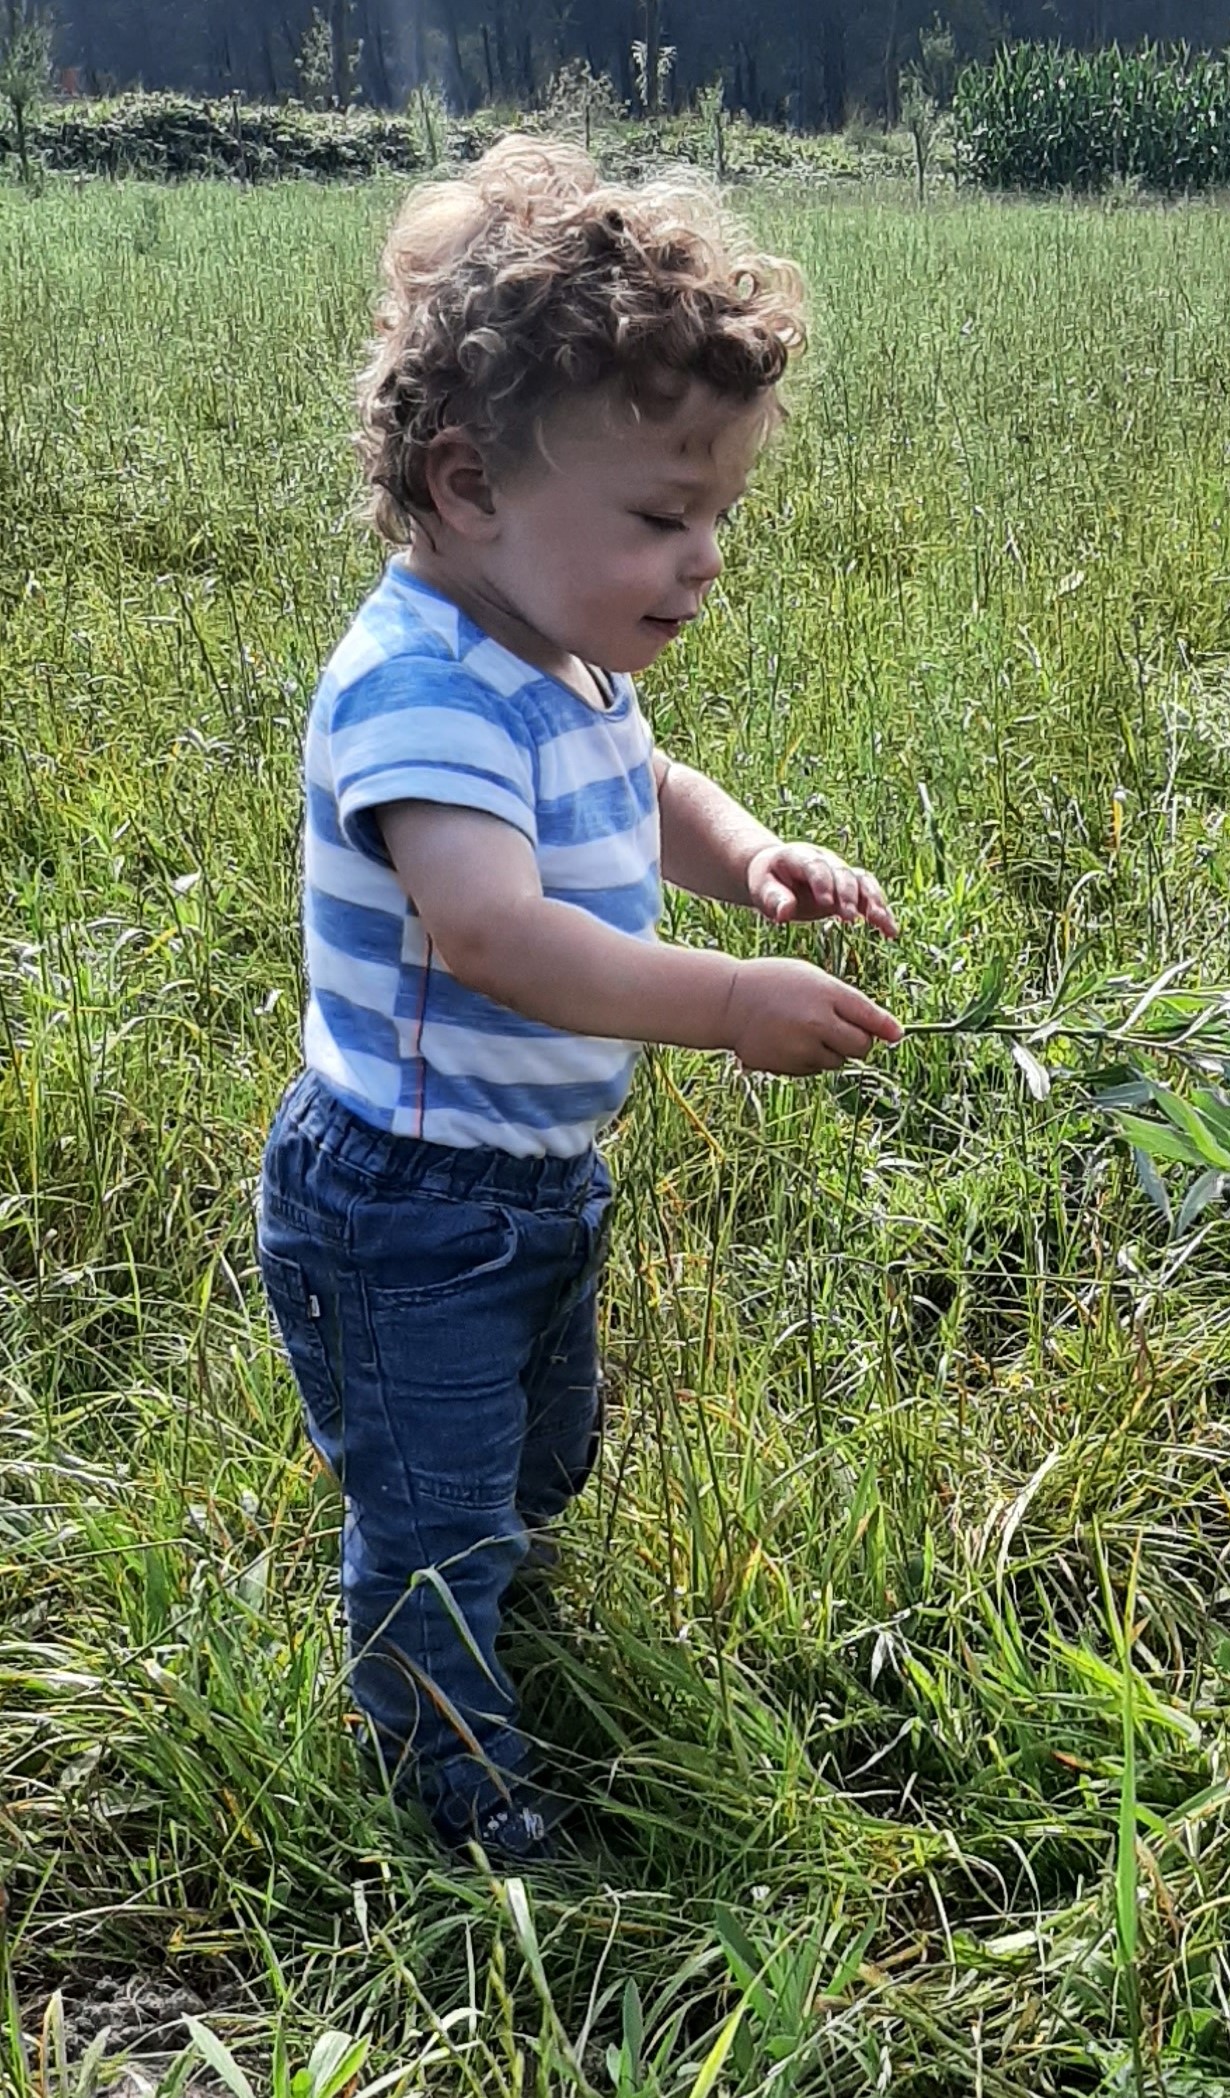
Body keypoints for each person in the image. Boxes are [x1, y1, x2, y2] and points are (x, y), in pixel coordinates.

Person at [254, 135, 899, 1861]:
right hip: (404, 1201)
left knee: (546, 1452)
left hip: (530, 1179)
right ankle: (447, 1771)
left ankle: (483, 1574)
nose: (702, 563)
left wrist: (754, 854)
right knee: (444, 1510)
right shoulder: (416, 688)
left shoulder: (562, 651)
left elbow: (644, 788)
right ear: (467, 487)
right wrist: (727, 1000)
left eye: (719, 519)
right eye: (661, 517)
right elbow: (495, 936)